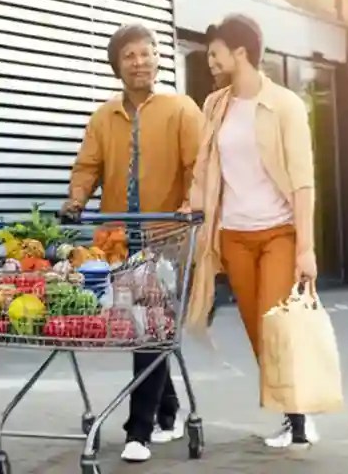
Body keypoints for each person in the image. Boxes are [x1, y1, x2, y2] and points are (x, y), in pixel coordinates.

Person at [61, 23, 203, 464]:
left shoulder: (182, 109)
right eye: (130, 56)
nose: (140, 62)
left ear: (159, 58)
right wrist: (76, 199)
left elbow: (200, 167)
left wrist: (189, 202)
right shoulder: (104, 117)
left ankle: (136, 431)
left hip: (170, 236)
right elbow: (88, 166)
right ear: (117, 66)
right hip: (119, 239)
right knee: (143, 330)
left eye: (147, 53)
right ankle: (171, 409)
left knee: (150, 329)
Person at [184, 14, 321, 449]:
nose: (210, 59)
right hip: (234, 234)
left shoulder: (285, 105)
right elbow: (207, 168)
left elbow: (302, 180)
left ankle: (300, 419)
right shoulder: (215, 105)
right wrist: (192, 206)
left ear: (239, 52)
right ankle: (289, 411)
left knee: (275, 323)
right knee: (255, 329)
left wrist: (306, 248)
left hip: (277, 231)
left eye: (215, 52)